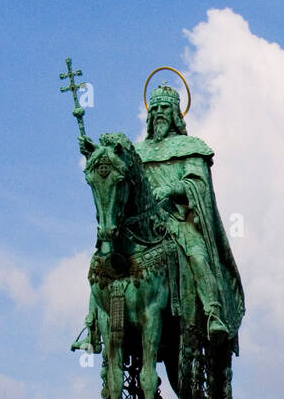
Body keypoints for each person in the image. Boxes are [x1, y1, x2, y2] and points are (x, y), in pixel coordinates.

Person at [79, 84, 243, 346]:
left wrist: (172, 188)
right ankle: (93, 325)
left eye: (165, 108)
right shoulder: (136, 152)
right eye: (154, 109)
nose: (159, 114)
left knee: (197, 255)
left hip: (177, 219)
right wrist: (95, 153)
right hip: (140, 224)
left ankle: (213, 312)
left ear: (177, 114)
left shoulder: (190, 146)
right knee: (104, 254)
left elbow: (197, 184)